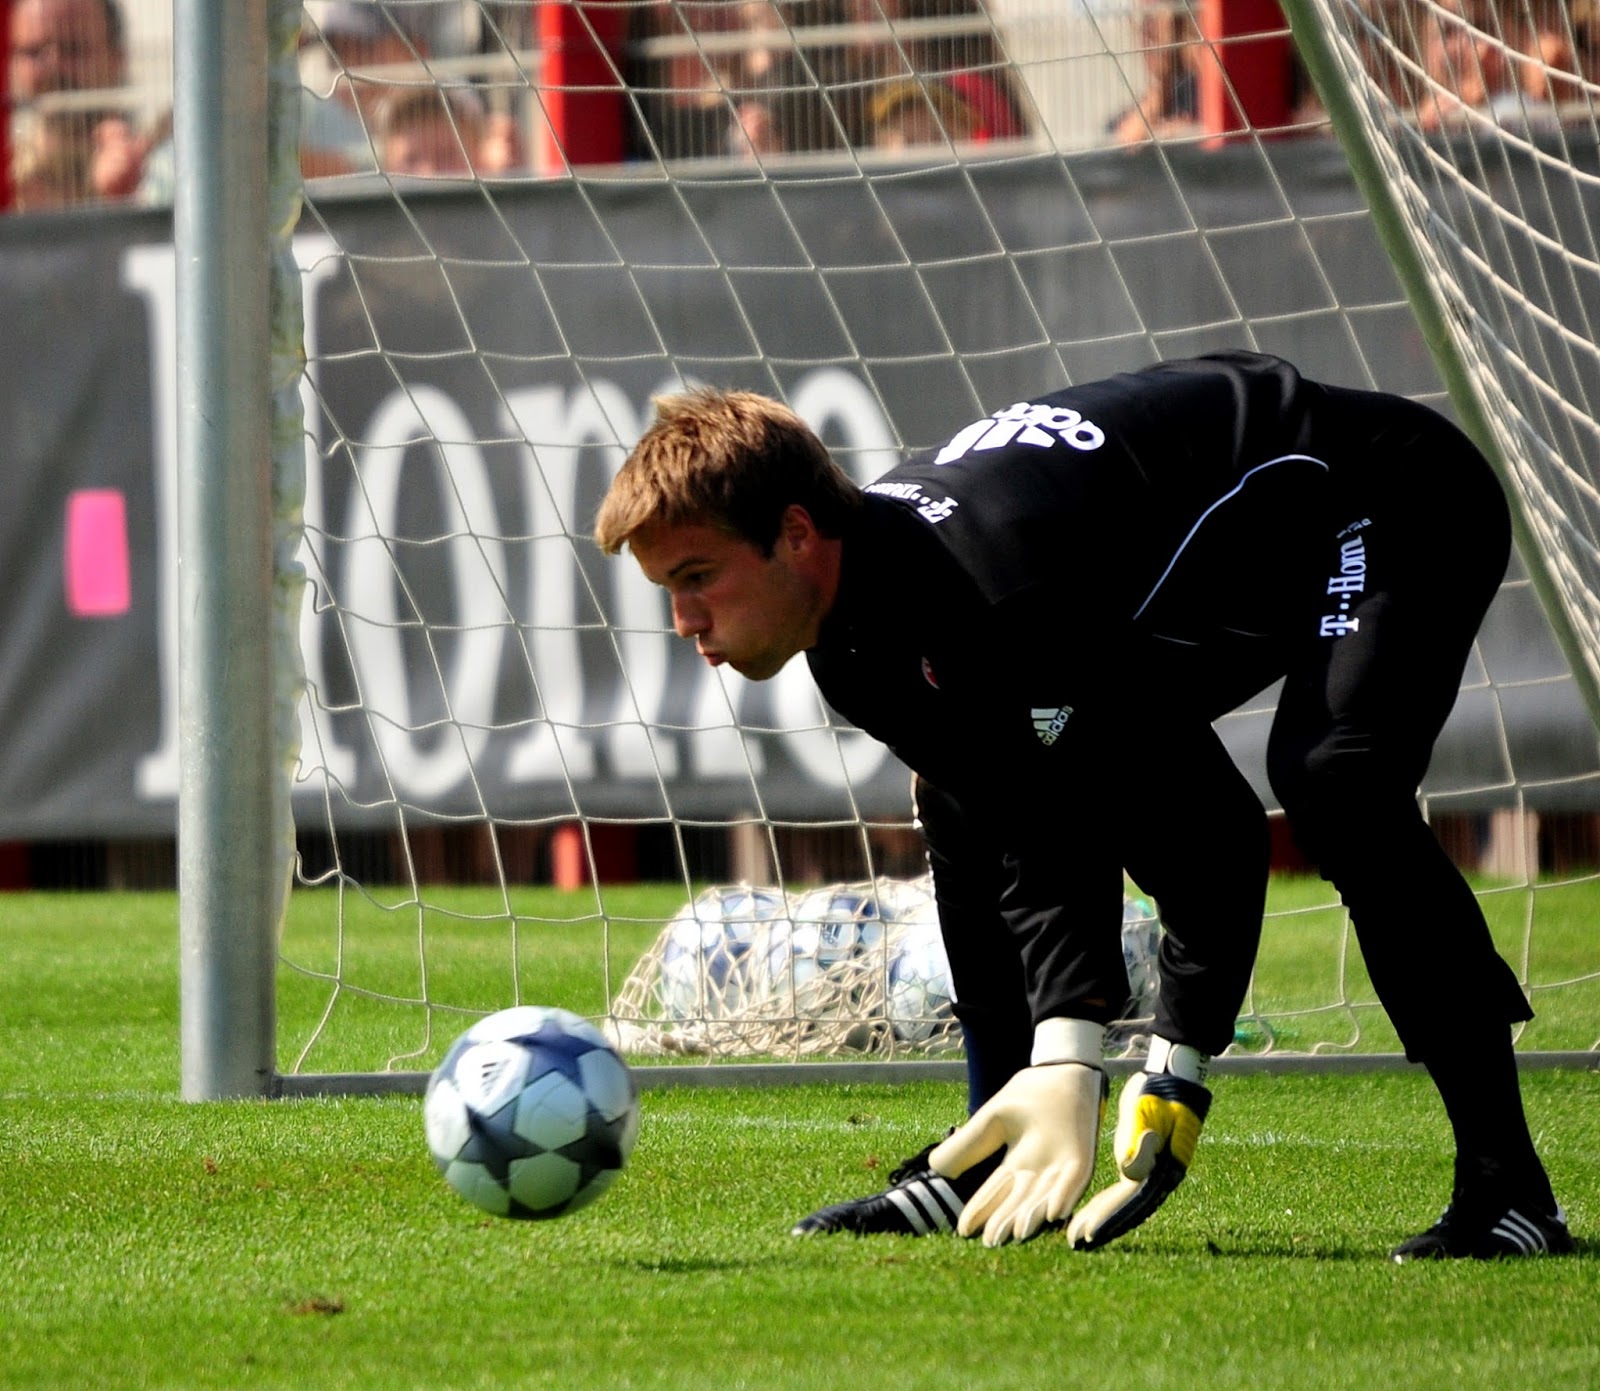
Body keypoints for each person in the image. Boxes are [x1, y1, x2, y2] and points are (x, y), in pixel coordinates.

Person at [593, 350, 1574, 1262]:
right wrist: (1065, 1060)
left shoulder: (994, 584)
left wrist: (1169, 1068)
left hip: (1387, 499)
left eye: (695, 578)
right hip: (1227, 569)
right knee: (964, 799)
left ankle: (1508, 1185)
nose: (683, 621)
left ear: (796, 536)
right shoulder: (854, 647)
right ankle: (992, 1143)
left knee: (1335, 780)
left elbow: (1215, 838)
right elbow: (1033, 818)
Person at [6, 0, 158, 209]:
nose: (53, 66)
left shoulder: (162, 165)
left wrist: (125, 198)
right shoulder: (8, 179)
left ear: (117, 59)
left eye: (73, 48)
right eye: (33, 52)